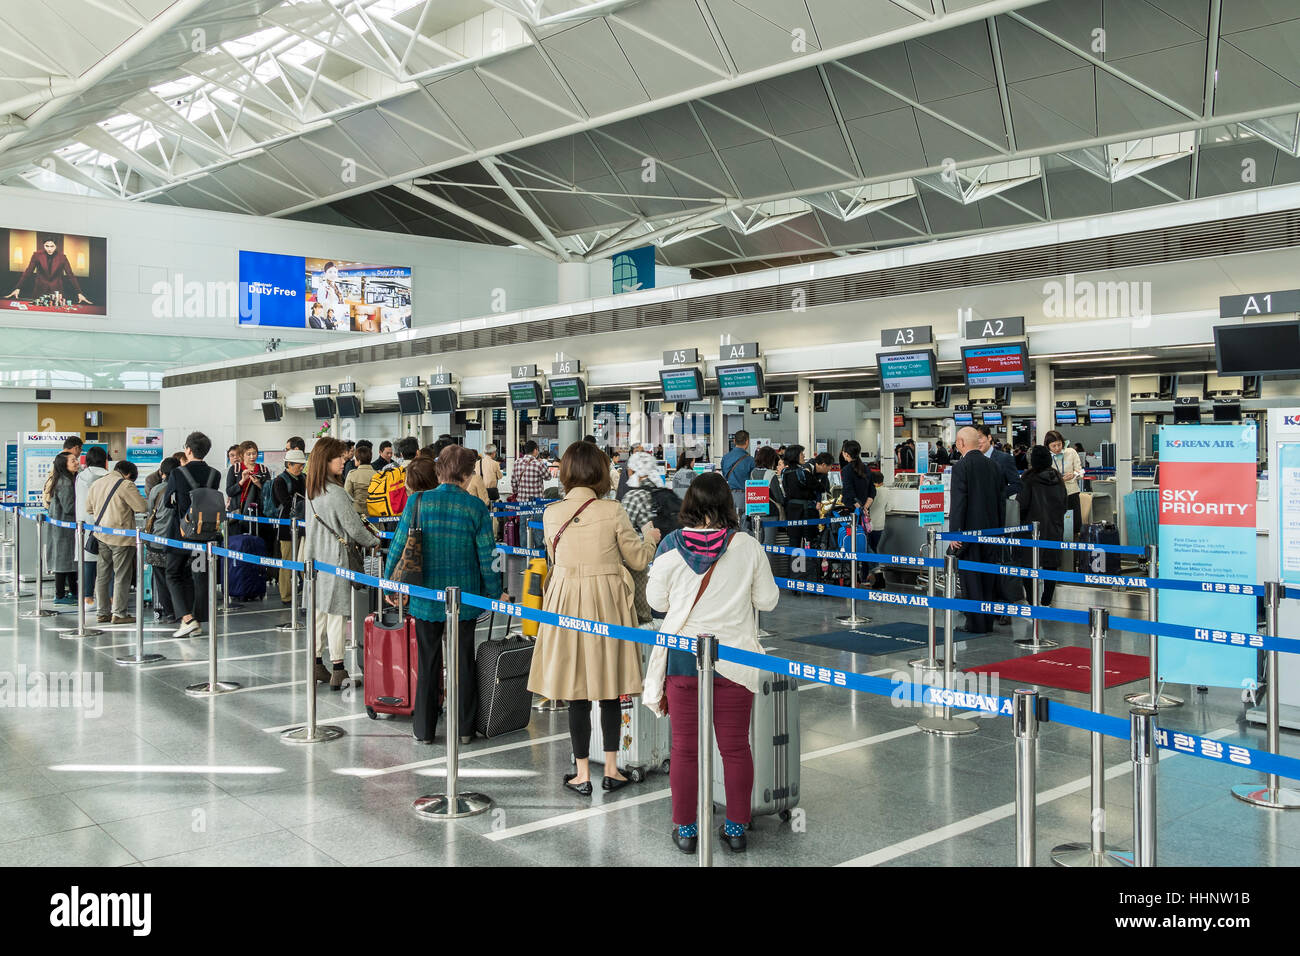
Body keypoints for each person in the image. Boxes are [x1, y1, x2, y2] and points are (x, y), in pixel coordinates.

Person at [643, 472, 779, 854]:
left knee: (685, 748)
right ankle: (736, 829)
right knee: (735, 747)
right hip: (734, 659)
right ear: (728, 506)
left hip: (685, 659)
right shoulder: (748, 546)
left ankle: (686, 831)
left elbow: (657, 601)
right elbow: (768, 600)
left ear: (690, 504)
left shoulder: (670, 545)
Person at [527, 442, 660, 795]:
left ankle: (582, 774)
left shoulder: (552, 512)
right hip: (607, 602)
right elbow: (637, 560)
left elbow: (555, 557)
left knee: (577, 688)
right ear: (601, 472)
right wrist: (649, 539)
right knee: (610, 685)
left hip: (566, 599)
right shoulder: (613, 510)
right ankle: (612, 769)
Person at [384, 450, 504, 744]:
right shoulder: (475, 507)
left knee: (427, 664)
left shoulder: (418, 502)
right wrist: (494, 590)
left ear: (439, 473)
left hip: (425, 597)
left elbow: (399, 547)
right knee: (463, 660)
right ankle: (463, 729)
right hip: (465, 599)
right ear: (466, 474)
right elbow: (488, 556)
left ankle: (423, 730)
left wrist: (391, 587)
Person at [300, 437, 380, 689]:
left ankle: (316, 666)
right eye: (340, 459)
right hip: (334, 559)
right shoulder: (335, 492)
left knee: (319, 614)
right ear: (326, 461)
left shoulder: (312, 490)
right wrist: (374, 540)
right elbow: (354, 528)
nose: (343, 463)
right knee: (337, 615)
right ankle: (338, 669)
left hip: (314, 558)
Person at [162, 432, 221, 637]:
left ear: (188, 449)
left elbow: (167, 502)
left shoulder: (178, 473)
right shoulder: (215, 474)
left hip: (181, 534)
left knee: (173, 573)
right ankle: (199, 618)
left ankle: (187, 619)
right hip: (204, 534)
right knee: (200, 575)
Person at [948, 426, 1004, 634]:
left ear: (961, 443)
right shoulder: (993, 466)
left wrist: (955, 531)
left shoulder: (961, 467)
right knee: (988, 577)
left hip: (969, 533)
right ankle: (988, 621)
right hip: (992, 531)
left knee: (971, 577)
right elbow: (1001, 501)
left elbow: (959, 501)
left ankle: (975, 623)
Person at [87, 461, 147, 625]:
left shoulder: (97, 483)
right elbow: (141, 507)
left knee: (102, 575)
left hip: (101, 534)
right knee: (121, 574)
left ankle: (102, 612)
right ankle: (119, 614)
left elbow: (89, 509)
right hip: (121, 536)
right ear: (128, 474)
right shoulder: (125, 484)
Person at [1018, 445, 1067, 606]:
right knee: (1050, 565)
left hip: (1032, 530)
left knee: (1028, 565)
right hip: (1054, 527)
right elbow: (1064, 504)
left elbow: (1022, 505)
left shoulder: (1028, 479)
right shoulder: (1058, 478)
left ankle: (1032, 601)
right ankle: (1047, 600)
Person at [620, 450, 665, 624]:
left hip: (641, 564)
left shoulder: (633, 496)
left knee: (643, 617)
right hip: (663, 560)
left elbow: (625, 531)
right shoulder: (662, 492)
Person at [5, 236, 92, 304]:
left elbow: (70, 275)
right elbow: (28, 272)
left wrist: (79, 293)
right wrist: (18, 288)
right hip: (39, 290)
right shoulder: (37, 255)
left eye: (52, 246)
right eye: (47, 246)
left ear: (56, 246)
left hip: (57, 291)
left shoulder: (62, 257)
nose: (49, 249)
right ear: (43, 245)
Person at [75, 446, 110, 612]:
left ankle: (87, 599)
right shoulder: (109, 477)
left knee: (88, 561)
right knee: (108, 563)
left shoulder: (81, 477)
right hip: (107, 524)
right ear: (104, 460)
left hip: (84, 523)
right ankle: (109, 598)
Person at [144, 457, 178, 622]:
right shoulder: (182, 489)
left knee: (161, 579)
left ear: (161, 472)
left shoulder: (156, 490)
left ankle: (169, 611)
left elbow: (151, 512)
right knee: (178, 576)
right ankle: (182, 610)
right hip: (178, 541)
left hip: (157, 540)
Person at [272, 449, 307, 603]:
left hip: (303, 525)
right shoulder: (280, 480)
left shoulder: (304, 478)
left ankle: (305, 592)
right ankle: (286, 595)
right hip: (286, 526)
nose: (300, 468)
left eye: (302, 465)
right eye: (298, 465)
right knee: (287, 561)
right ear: (289, 464)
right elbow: (284, 502)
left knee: (303, 560)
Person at [45, 452, 79, 605]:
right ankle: (59, 595)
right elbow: (69, 507)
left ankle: (73, 592)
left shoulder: (65, 479)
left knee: (69, 560)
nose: (76, 462)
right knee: (63, 560)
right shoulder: (65, 483)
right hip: (64, 528)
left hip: (63, 528)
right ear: (63, 465)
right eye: (73, 461)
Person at [1045, 430, 1083, 539]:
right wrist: (1059, 479)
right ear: (1048, 446)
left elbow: (1080, 471)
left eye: (1059, 445)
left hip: (1072, 492)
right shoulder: (1047, 456)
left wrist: (1074, 474)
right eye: (1053, 446)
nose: (1057, 448)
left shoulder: (1071, 452)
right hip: (1054, 494)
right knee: (1057, 525)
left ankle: (1074, 553)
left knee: (1074, 526)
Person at [227, 441, 270, 534]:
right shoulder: (235, 469)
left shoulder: (263, 470)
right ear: (242, 455)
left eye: (254, 453)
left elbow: (269, 492)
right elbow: (229, 491)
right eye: (248, 454)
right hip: (238, 511)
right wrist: (242, 481)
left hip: (258, 511)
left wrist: (258, 484)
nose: (252, 457)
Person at [978, 425, 1022, 498]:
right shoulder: (971, 460)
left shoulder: (1004, 458)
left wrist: (996, 493)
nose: (977, 442)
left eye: (979, 438)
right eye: (973, 440)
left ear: (989, 437)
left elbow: (1017, 485)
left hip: (996, 506)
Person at [720, 430, 755, 514]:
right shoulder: (750, 460)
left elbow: (724, 475)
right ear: (747, 442)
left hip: (728, 495)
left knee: (729, 522)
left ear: (734, 441)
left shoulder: (725, 457)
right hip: (743, 496)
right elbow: (753, 479)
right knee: (743, 523)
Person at [838, 439, 874, 515]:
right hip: (865, 510)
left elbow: (849, 492)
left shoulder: (846, 470)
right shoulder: (867, 469)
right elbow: (872, 491)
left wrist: (860, 509)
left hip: (851, 510)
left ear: (846, 454)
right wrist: (865, 508)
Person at [343, 443, 375, 514]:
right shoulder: (377, 475)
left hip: (357, 513)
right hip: (374, 512)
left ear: (359, 461)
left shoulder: (352, 474)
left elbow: (347, 495)